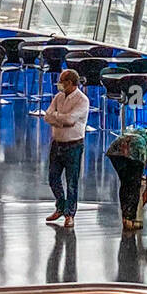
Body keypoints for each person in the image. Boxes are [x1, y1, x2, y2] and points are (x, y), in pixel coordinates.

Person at [43, 68, 89, 228]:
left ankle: (70, 214)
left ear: (70, 83)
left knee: (72, 182)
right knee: (53, 178)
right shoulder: (58, 97)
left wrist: (57, 118)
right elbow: (47, 116)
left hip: (73, 145)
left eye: (62, 81)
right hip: (57, 144)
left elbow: (70, 120)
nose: (59, 84)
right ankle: (61, 206)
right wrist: (59, 119)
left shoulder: (82, 100)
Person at [105, 124, 147, 231]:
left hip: (116, 150)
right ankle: (130, 220)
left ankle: (125, 217)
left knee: (125, 183)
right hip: (136, 151)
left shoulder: (140, 131)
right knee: (133, 187)